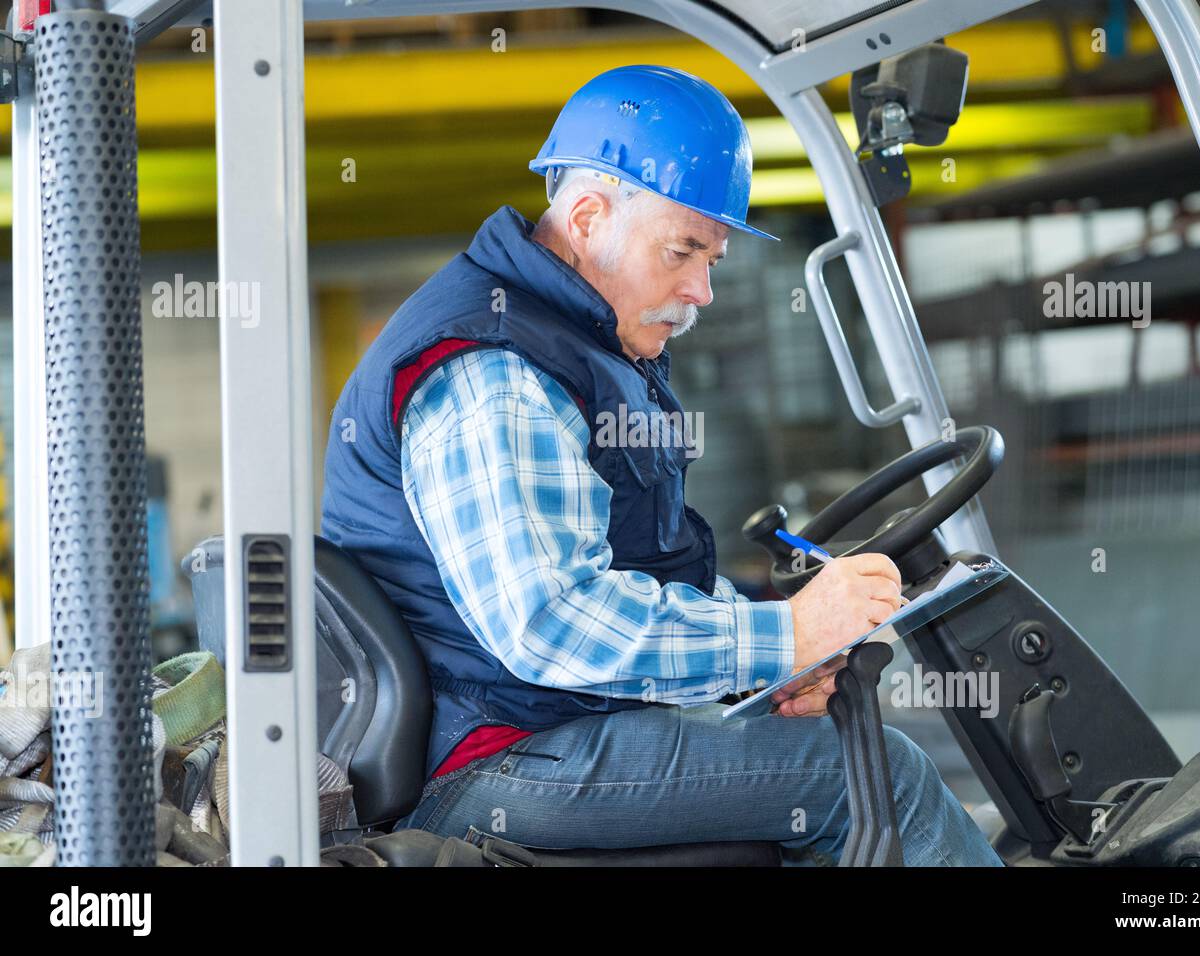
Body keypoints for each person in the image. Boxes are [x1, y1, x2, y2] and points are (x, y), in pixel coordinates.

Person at [321, 64, 1001, 865]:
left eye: (710, 259)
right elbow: (550, 623)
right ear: (586, 216)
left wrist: (771, 665)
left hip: (553, 724)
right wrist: (783, 635)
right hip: (489, 758)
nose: (703, 289)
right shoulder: (495, 373)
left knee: (836, 756)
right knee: (873, 777)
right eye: (684, 252)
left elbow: (637, 568)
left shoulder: (583, 345)